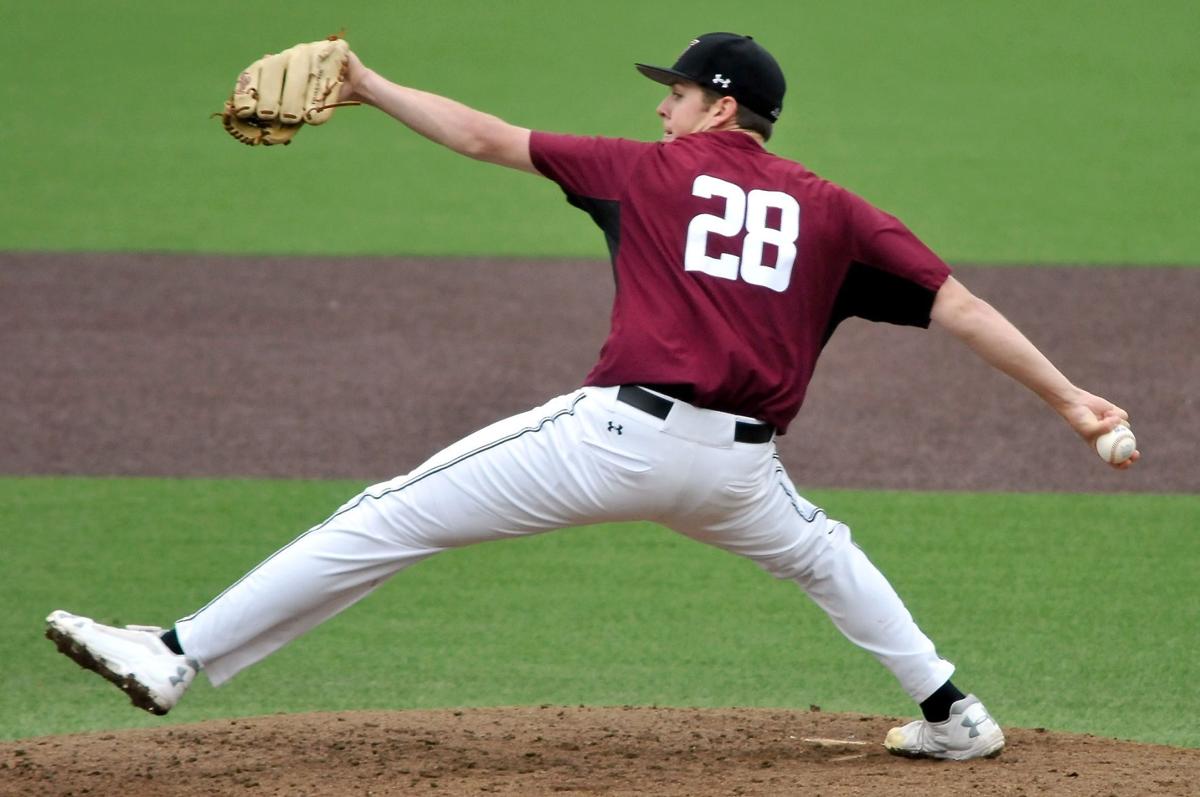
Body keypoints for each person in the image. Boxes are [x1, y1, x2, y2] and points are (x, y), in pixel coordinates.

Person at [46, 32, 1137, 761]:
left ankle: (176, 649)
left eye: (673, 92)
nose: (662, 110)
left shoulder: (649, 171)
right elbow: (958, 304)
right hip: (738, 470)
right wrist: (1071, 400)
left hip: (614, 437)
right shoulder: (837, 212)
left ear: (720, 103)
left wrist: (370, 86)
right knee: (825, 554)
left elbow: (482, 136)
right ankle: (953, 713)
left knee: (386, 514)